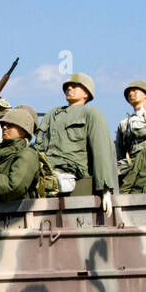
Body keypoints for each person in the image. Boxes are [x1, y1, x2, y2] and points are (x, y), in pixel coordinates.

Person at [35, 73, 117, 215]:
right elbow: (38, 144)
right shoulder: (53, 114)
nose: (69, 89)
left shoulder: (91, 113)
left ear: (86, 93)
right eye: (67, 87)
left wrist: (105, 190)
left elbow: (101, 150)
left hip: (70, 174)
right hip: (44, 170)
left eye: (74, 86)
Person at [0, 107, 41, 202]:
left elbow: (13, 188)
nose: (4, 127)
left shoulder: (28, 154)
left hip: (18, 210)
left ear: (24, 130)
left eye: (10, 125)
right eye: (3, 124)